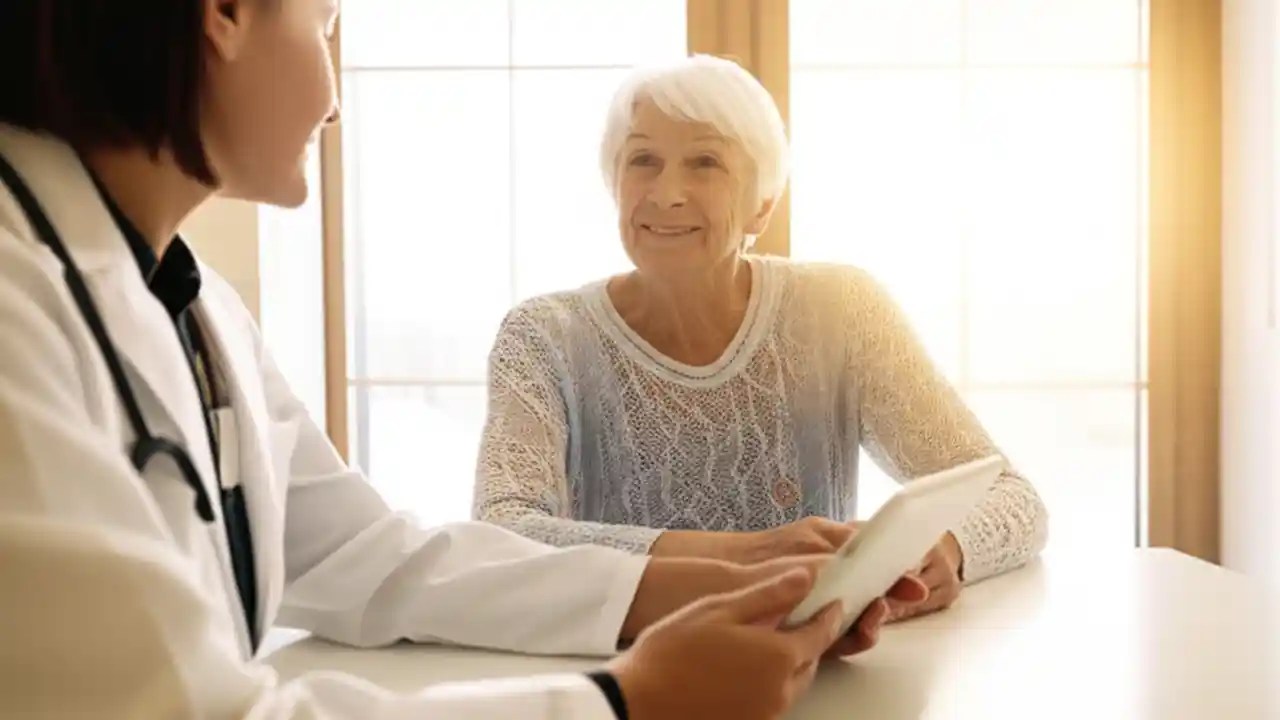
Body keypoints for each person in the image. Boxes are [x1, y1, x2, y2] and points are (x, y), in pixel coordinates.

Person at [0, 2, 928, 718]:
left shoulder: (194, 303)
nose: (331, 98)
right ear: (226, 16)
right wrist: (622, 699)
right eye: (325, 27)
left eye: (708, 165)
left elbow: (375, 556)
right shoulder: (17, 309)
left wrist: (711, 585)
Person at [474, 54, 1049, 620]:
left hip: (810, 671)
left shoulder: (842, 309)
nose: (667, 193)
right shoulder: (542, 337)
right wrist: (755, 555)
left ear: (762, 206)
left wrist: (947, 547)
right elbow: (501, 533)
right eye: (643, 160)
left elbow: (1012, 498)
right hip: (622, 678)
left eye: (705, 163)